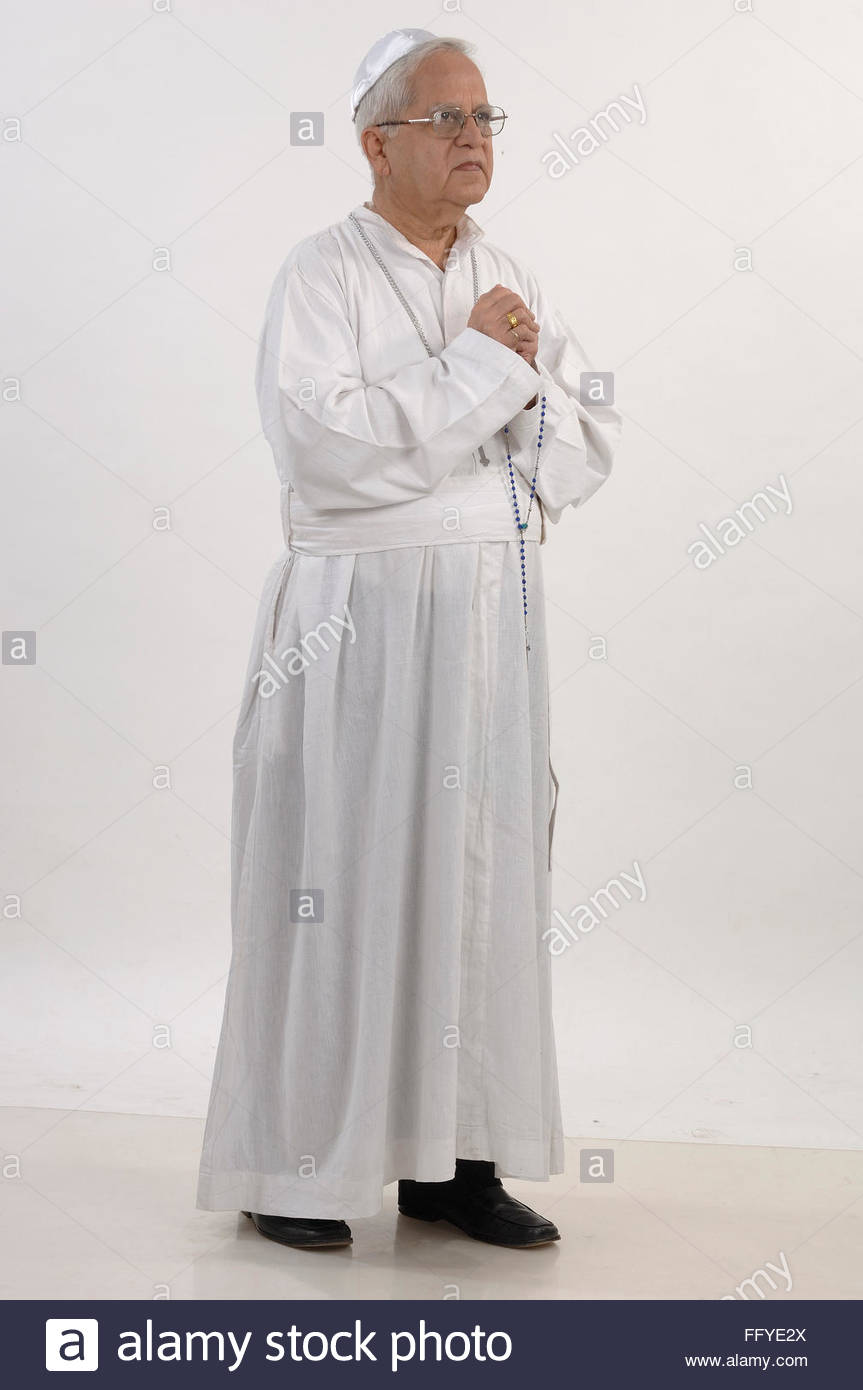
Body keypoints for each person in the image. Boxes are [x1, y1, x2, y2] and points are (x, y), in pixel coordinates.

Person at [196, 28, 623, 1252]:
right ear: (376, 141)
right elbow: (324, 449)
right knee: (335, 879)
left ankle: (453, 1163)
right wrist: (486, 367)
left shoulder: (508, 270)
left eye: (486, 118)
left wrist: (499, 395)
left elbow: (582, 447)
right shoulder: (321, 273)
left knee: (479, 878)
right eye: (448, 119)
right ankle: (295, 1166)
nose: (474, 139)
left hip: (488, 624)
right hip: (356, 629)